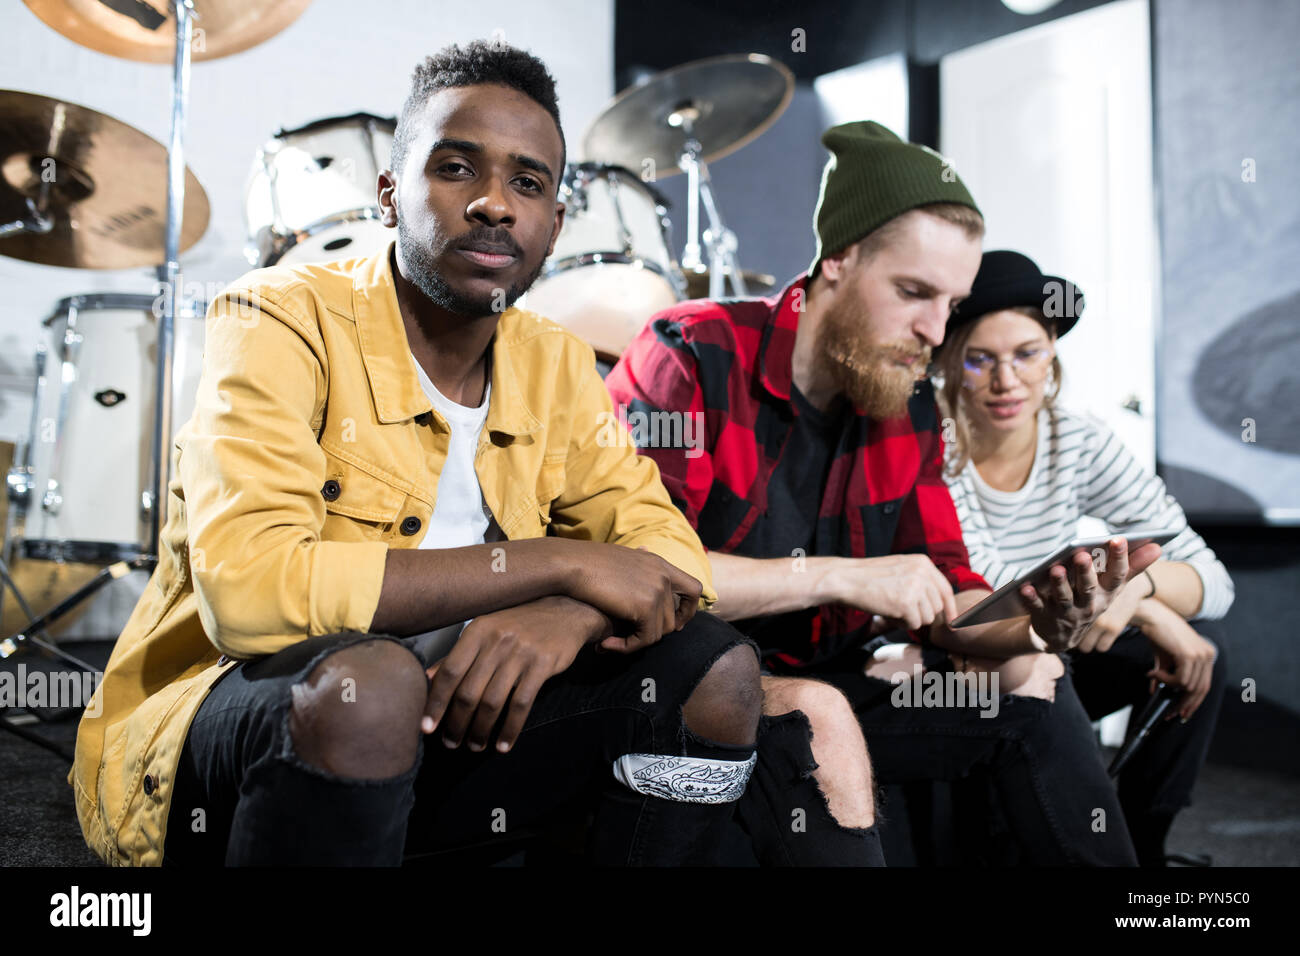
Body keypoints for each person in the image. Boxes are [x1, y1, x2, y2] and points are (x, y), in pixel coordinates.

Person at [70, 40, 764, 867]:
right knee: (373, 687)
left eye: (528, 183)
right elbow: (251, 594)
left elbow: (672, 557)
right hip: (242, 726)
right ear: (392, 194)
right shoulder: (277, 317)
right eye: (457, 169)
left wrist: (568, 614)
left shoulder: (554, 360)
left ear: (555, 225)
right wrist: (553, 566)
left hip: (451, 717)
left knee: (716, 671)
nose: (494, 205)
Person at [605, 120, 1163, 866]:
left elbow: (952, 597)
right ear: (837, 259)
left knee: (1034, 680)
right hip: (694, 691)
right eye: (913, 292)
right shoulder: (691, 353)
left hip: (840, 678)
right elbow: (646, 575)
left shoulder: (908, 402)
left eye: (950, 302)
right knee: (820, 712)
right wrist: (840, 575)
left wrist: (1032, 621)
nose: (935, 330)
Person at [933, 249, 1233, 866]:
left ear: (1052, 356)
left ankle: (1144, 847)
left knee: (1205, 650)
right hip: (969, 658)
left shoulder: (1080, 437)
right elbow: (993, 594)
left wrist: (1139, 594)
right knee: (1044, 666)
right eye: (980, 358)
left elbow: (1213, 579)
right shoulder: (930, 445)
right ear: (948, 362)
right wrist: (1149, 610)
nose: (1006, 380)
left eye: (1026, 354)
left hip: (1061, 643)